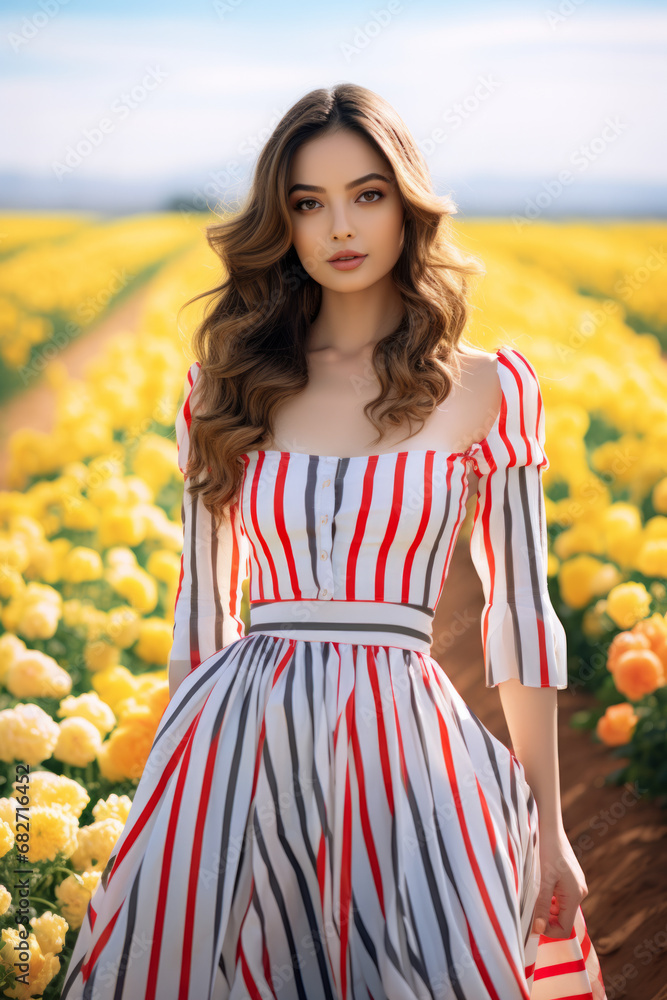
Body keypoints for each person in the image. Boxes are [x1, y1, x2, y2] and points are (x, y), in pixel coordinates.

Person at [61, 84, 608, 1000]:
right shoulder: (226, 387)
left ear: (406, 205)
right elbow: (201, 612)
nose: (338, 228)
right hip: (241, 745)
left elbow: (518, 611)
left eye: (366, 194)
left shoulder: (487, 389)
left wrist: (549, 826)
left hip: (406, 745)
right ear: (282, 223)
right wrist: (177, 800)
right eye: (308, 204)